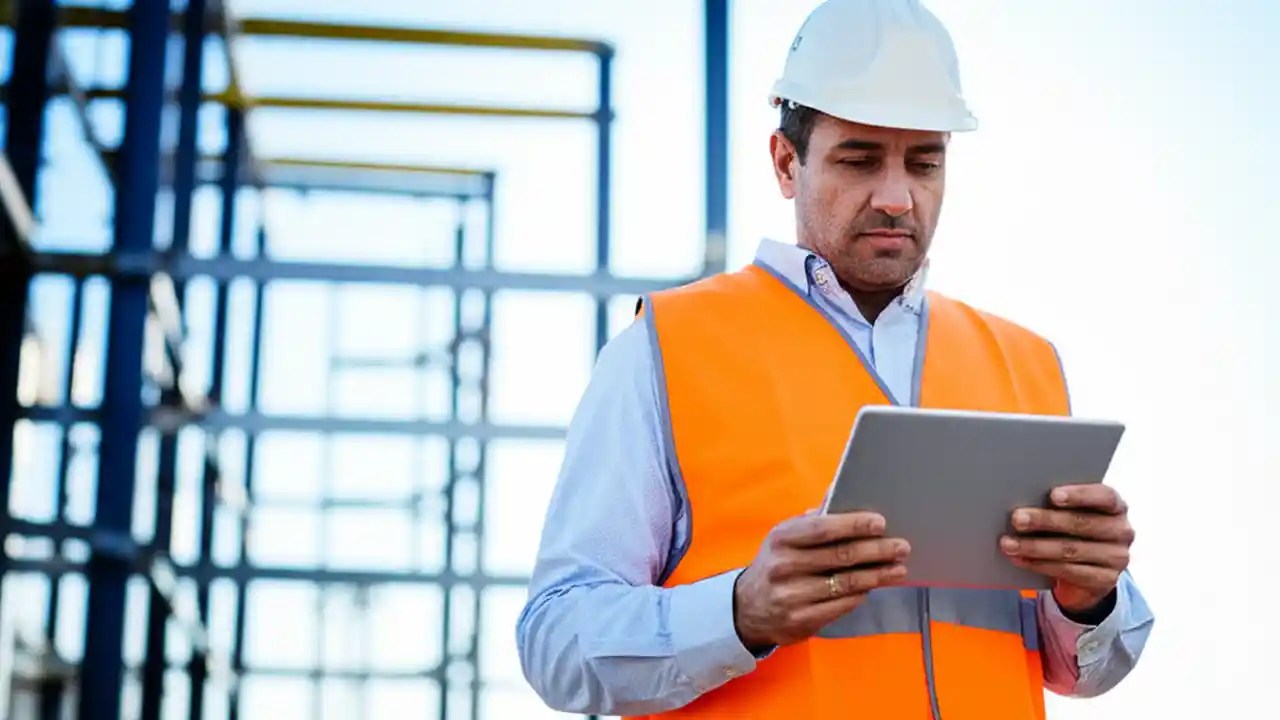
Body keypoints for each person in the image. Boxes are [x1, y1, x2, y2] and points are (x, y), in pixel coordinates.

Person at [516, 0, 1154, 717]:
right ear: (787, 162)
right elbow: (556, 639)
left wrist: (1091, 595)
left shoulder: (1025, 365)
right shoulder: (669, 349)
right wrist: (738, 612)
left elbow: (1083, 668)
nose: (895, 197)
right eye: (859, 159)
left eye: (923, 162)